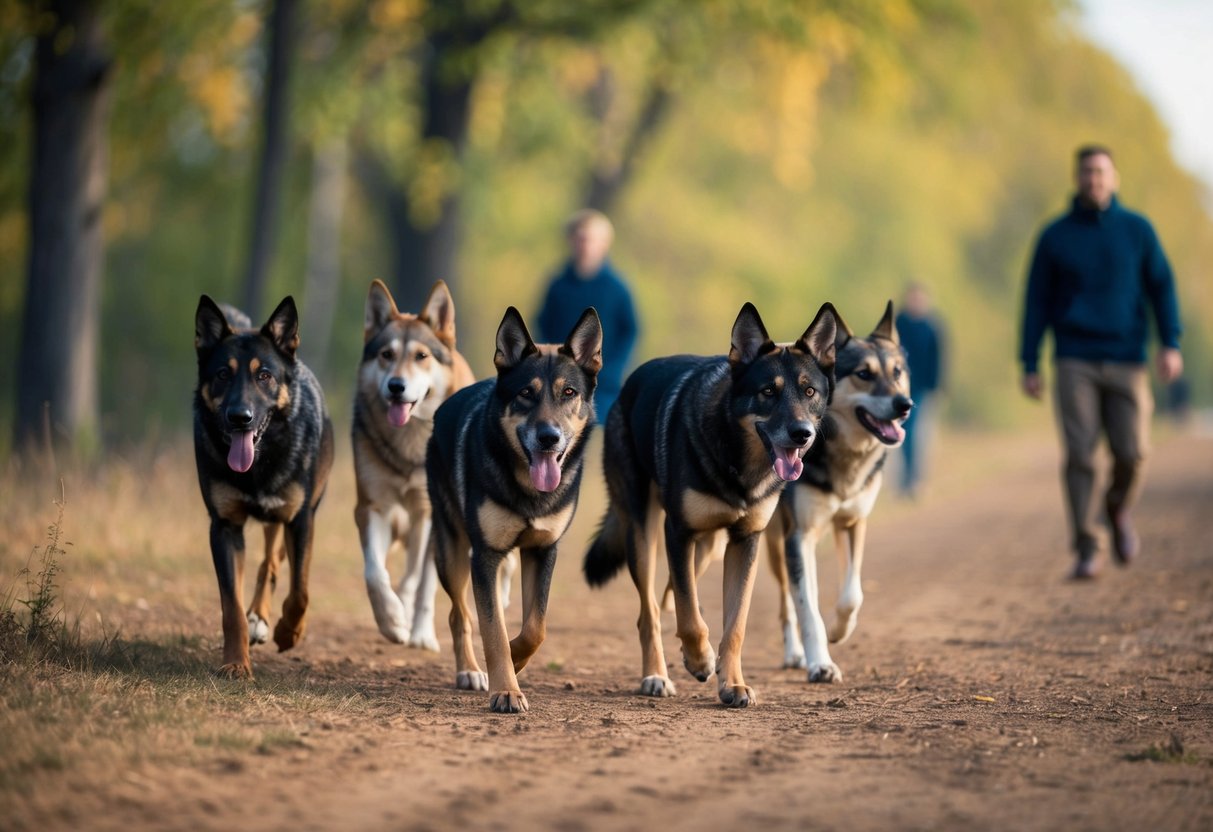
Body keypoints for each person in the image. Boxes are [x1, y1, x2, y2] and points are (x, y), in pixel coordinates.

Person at [1019, 145, 1184, 580]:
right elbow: (1036, 302)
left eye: (1101, 172)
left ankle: (1116, 509)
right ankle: (1087, 546)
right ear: (1077, 178)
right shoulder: (1054, 236)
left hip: (1128, 358)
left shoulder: (1137, 231)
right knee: (1081, 456)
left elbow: (1162, 288)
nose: (1094, 179)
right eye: (1087, 172)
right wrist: (1029, 361)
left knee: (1133, 453)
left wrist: (1170, 342)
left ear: (1114, 178)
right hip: (1074, 359)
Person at [537, 209, 638, 423]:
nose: (584, 245)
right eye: (579, 239)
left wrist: (613, 369)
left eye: (590, 239)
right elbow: (543, 324)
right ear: (571, 241)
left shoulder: (617, 287)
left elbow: (630, 331)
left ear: (604, 243)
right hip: (558, 379)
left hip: (602, 384)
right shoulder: (558, 285)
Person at [894, 282, 946, 499]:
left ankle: (914, 480)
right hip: (899, 388)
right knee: (904, 434)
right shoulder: (898, 324)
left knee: (916, 433)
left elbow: (938, 358)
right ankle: (908, 480)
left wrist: (936, 386)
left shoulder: (931, 326)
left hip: (921, 388)